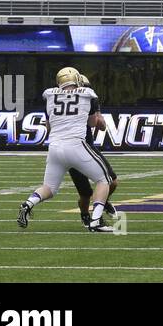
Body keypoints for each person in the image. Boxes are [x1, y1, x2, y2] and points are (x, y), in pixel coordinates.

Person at [17, 67, 115, 233]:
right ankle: (96, 221)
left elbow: (48, 126)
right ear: (77, 79)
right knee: (104, 180)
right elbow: (92, 124)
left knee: (49, 187)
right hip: (76, 145)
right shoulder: (87, 94)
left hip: (54, 147)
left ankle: (28, 204)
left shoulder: (49, 96)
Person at [64, 73, 118, 228]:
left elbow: (100, 126)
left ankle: (103, 200)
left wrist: (97, 113)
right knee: (85, 193)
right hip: (72, 149)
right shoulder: (66, 104)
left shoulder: (91, 100)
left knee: (112, 182)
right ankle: (85, 215)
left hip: (89, 147)